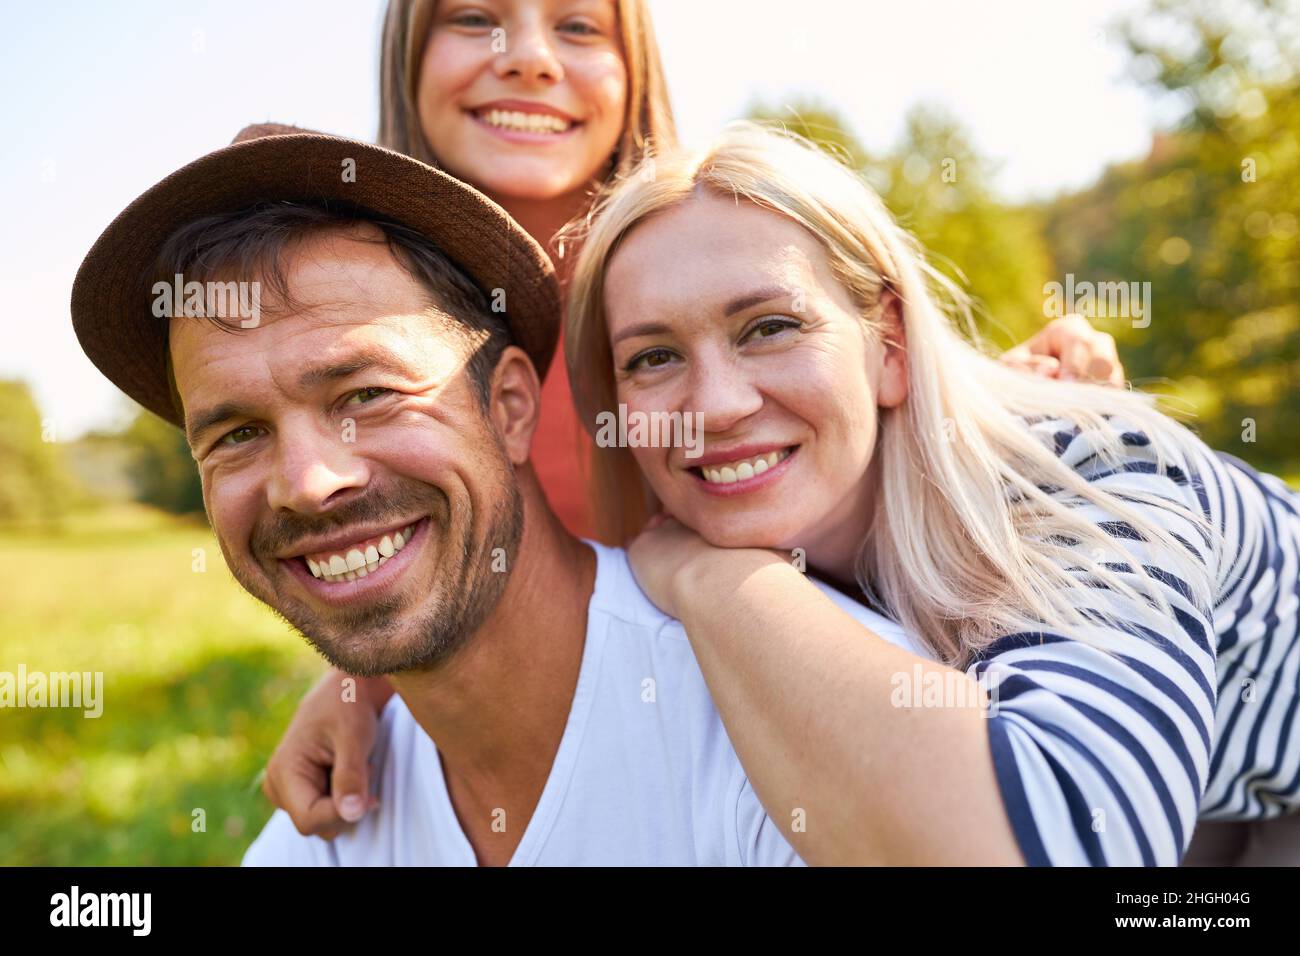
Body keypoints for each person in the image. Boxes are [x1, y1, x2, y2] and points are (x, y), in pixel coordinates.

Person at [266, 0, 1128, 837]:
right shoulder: (383, 340)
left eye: (578, 26)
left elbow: (844, 369)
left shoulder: (699, 238)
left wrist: (992, 399)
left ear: (635, 69)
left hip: (845, 709)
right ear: (405, 62)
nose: (528, 55)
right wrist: (359, 685)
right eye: (470, 19)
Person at [70, 122, 936, 865]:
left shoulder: (796, 734)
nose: (306, 483)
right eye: (236, 435)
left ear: (511, 406)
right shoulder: (333, 807)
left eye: (367, 395)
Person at [558, 123, 1300, 866]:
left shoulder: (1083, 471)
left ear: (890, 346)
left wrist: (709, 580)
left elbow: (1069, 845)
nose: (715, 406)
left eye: (770, 327)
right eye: (653, 357)